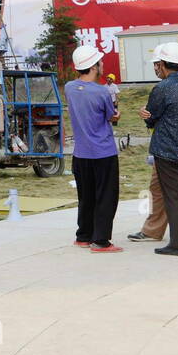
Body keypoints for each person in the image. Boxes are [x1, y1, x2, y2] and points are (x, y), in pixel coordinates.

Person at [138, 42, 178, 256]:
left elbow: (151, 120)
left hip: (167, 151)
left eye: (156, 64)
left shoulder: (161, 88)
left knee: (173, 197)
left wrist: (144, 114)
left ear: (162, 64)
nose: (156, 68)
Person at [65, 45, 121, 252]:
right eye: (100, 62)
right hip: (103, 152)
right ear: (94, 66)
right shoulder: (102, 92)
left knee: (86, 196)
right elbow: (110, 116)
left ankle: (83, 236)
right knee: (106, 196)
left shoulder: (69, 87)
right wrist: (116, 116)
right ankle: (101, 241)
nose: (102, 64)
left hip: (81, 153)